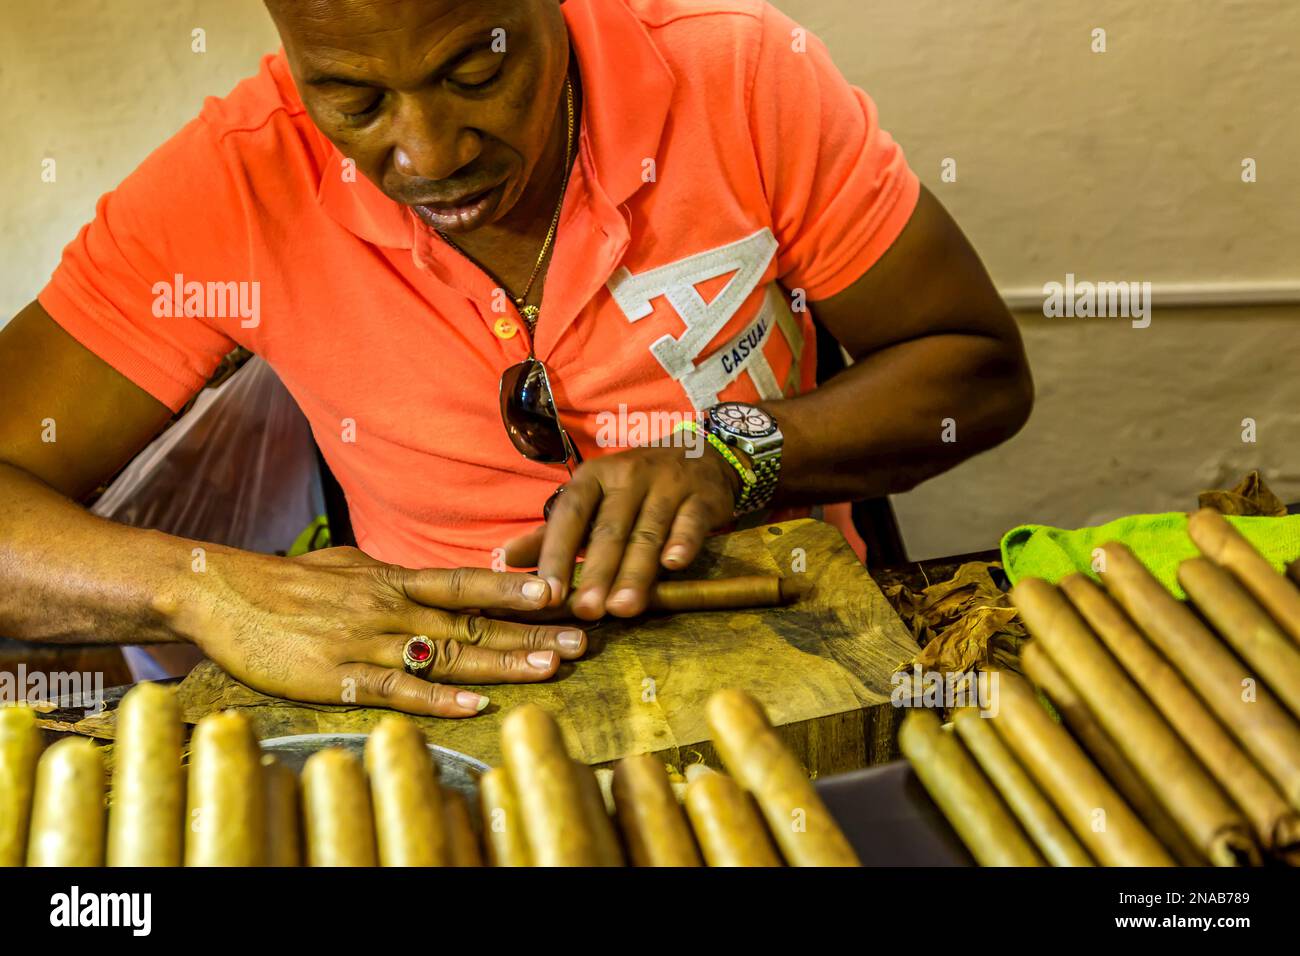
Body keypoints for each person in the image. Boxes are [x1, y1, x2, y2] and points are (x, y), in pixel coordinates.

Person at [0, 0, 1032, 717]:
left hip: (799, 649)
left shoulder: (738, 77)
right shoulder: (233, 181)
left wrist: (739, 454)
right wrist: (201, 588)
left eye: (477, 72)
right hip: (453, 694)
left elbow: (973, 367)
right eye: (352, 100)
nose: (429, 152)